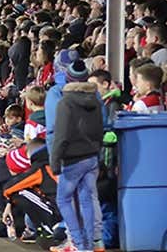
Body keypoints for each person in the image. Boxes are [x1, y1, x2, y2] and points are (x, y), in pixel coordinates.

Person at [50, 76, 104, 252]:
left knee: (63, 199)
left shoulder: (65, 103)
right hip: (91, 157)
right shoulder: (95, 101)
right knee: (86, 201)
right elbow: (100, 130)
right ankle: (89, 245)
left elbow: (61, 135)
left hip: (73, 159)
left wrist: (55, 161)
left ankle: (78, 243)